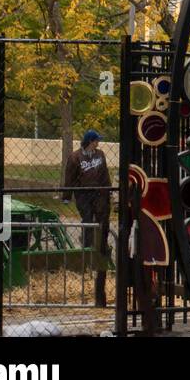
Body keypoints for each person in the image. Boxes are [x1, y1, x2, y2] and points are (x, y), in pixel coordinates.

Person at [62, 129, 110, 307]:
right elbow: (70, 176)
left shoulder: (100, 154)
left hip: (99, 192)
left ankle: (101, 246)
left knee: (102, 220)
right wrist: (67, 196)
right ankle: (88, 246)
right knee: (88, 219)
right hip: (83, 194)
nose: (98, 143)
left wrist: (109, 190)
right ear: (89, 141)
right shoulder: (75, 157)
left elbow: (105, 174)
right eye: (96, 140)